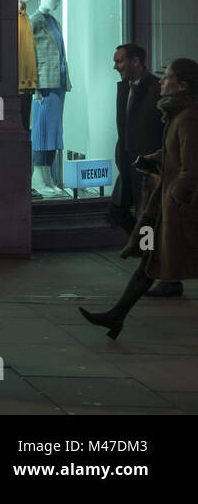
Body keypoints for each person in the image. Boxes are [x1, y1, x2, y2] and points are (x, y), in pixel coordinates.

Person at [81, 57, 198, 336]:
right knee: (150, 260)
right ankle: (116, 316)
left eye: (168, 77)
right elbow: (177, 155)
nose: (162, 81)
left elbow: (191, 168)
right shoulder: (177, 114)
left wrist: (178, 199)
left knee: (156, 259)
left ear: (182, 86)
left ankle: (116, 316)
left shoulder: (189, 118)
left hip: (182, 209)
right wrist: (152, 160)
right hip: (169, 206)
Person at [109, 44, 176, 294]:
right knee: (118, 210)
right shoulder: (125, 87)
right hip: (129, 163)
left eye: (120, 61)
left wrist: (158, 162)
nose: (115, 66)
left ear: (136, 61)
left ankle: (158, 268)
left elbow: (165, 131)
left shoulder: (157, 88)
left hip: (149, 167)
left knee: (150, 222)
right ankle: (148, 256)